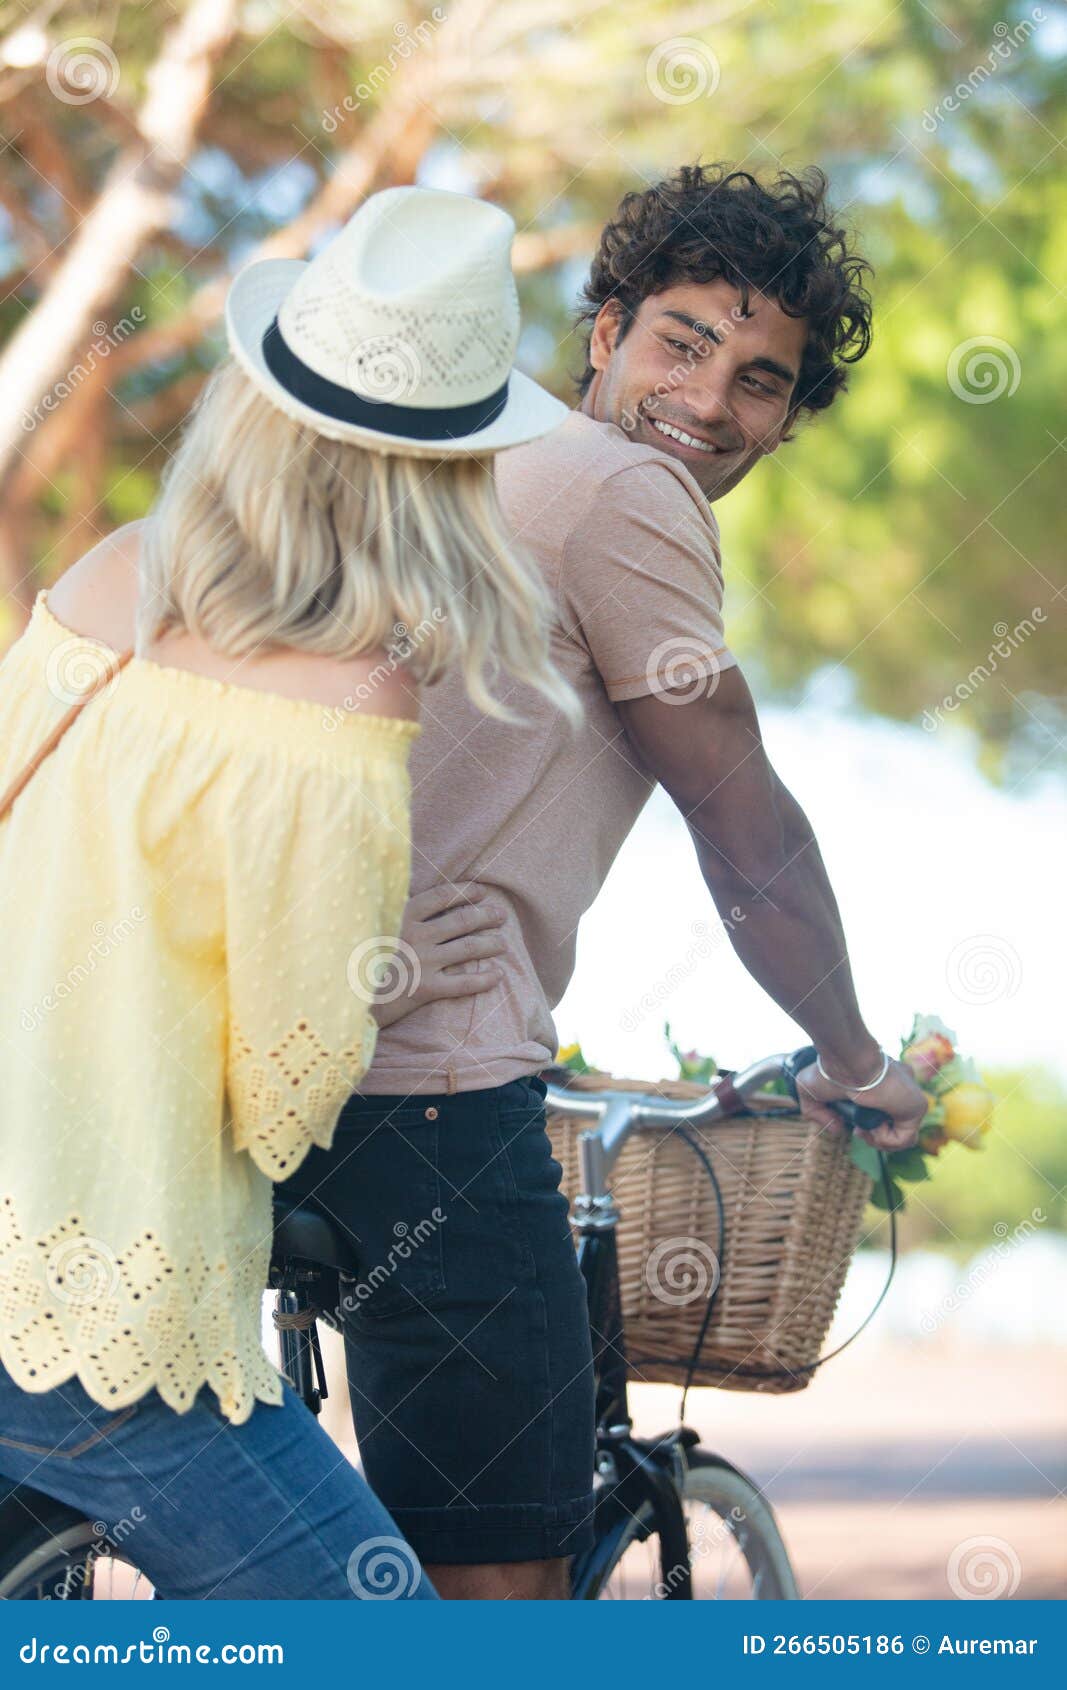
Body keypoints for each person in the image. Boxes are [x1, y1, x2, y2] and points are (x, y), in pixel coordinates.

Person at [279, 163, 930, 1601]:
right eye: (683, 342)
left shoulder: (446, 452)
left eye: (762, 380)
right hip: (424, 1096)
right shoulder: (623, 490)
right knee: (498, 1597)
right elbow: (743, 828)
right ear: (604, 330)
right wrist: (851, 1053)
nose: (710, 402)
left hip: (258, 1044)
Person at [0, 186, 575, 1600]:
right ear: (447, 473)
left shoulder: (99, 581)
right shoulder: (347, 700)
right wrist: (390, 970)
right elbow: (281, 1096)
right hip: (98, 1306)